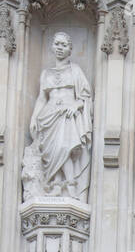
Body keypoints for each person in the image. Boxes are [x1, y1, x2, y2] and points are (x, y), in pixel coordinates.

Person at [25, 31, 92, 200]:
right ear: (52, 47)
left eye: (64, 45)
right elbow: (41, 98)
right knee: (50, 152)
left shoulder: (75, 70)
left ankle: (71, 185)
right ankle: (56, 184)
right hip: (48, 116)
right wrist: (34, 117)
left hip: (66, 116)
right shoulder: (46, 73)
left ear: (70, 49)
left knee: (64, 147)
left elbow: (85, 96)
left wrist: (75, 105)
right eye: (57, 44)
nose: (60, 48)